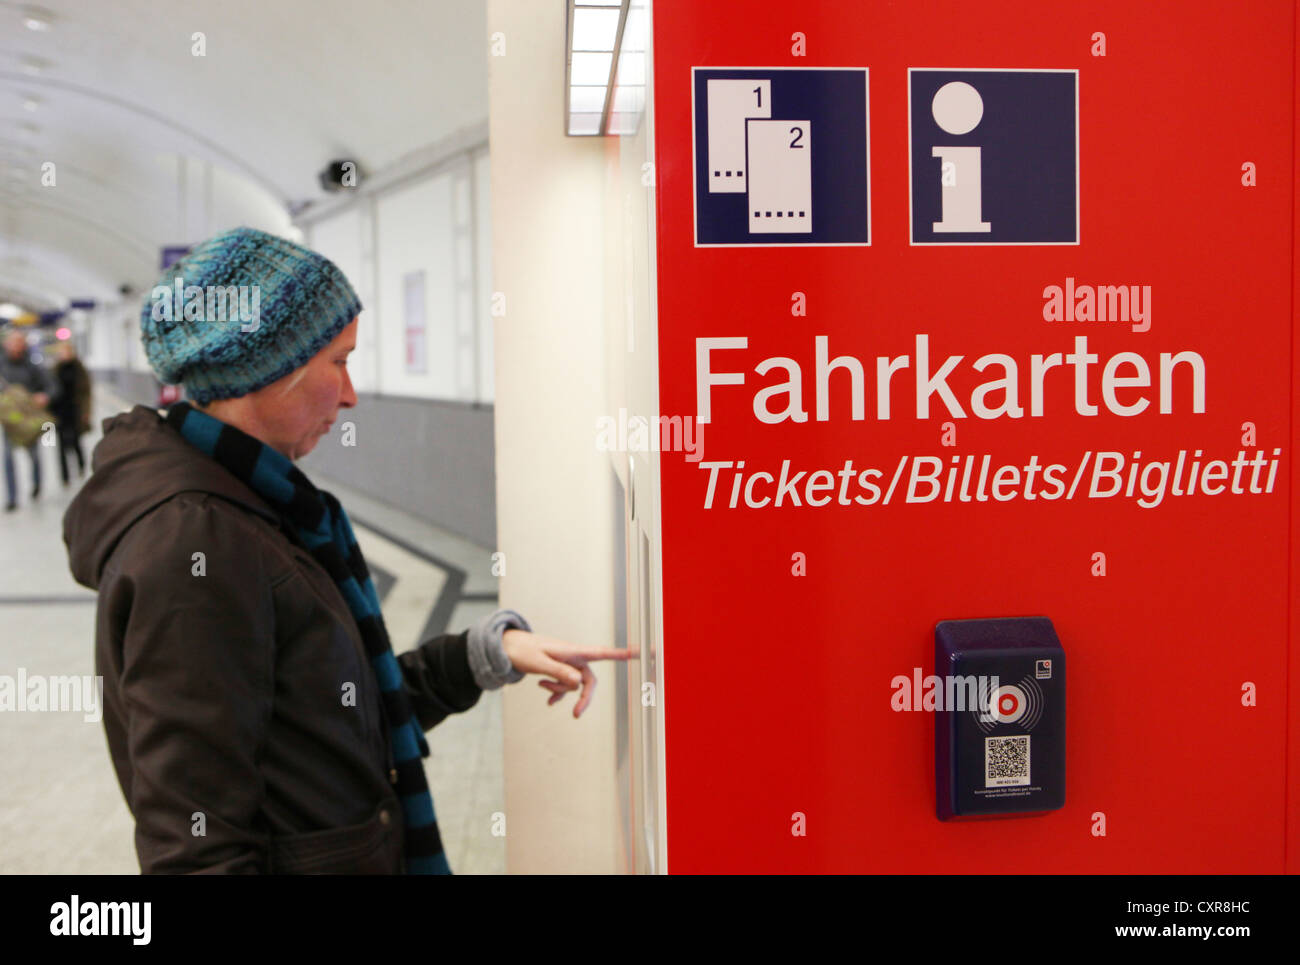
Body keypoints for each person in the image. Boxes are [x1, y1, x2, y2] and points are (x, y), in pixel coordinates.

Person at [62, 226, 629, 874]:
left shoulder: (262, 504)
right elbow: (197, 845)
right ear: (267, 368)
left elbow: (335, 720)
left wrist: (483, 656)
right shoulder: (198, 544)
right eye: (339, 360)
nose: (352, 394)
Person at [1, 330, 56, 511]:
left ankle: (37, 484)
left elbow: (51, 386)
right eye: (13, 342)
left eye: (19, 342)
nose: (16, 346)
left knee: (34, 455)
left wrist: (44, 396)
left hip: (29, 420)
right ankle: (12, 497)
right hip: (10, 421)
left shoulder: (33, 366)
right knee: (8, 458)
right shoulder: (2, 365)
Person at [50, 339, 92, 486]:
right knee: (60, 446)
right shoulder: (54, 370)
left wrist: (86, 412)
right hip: (59, 412)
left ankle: (81, 466)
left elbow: (86, 392)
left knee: (75, 442)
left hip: (75, 410)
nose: (65, 354)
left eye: (67, 351)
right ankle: (65, 477)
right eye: (62, 352)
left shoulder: (79, 369)